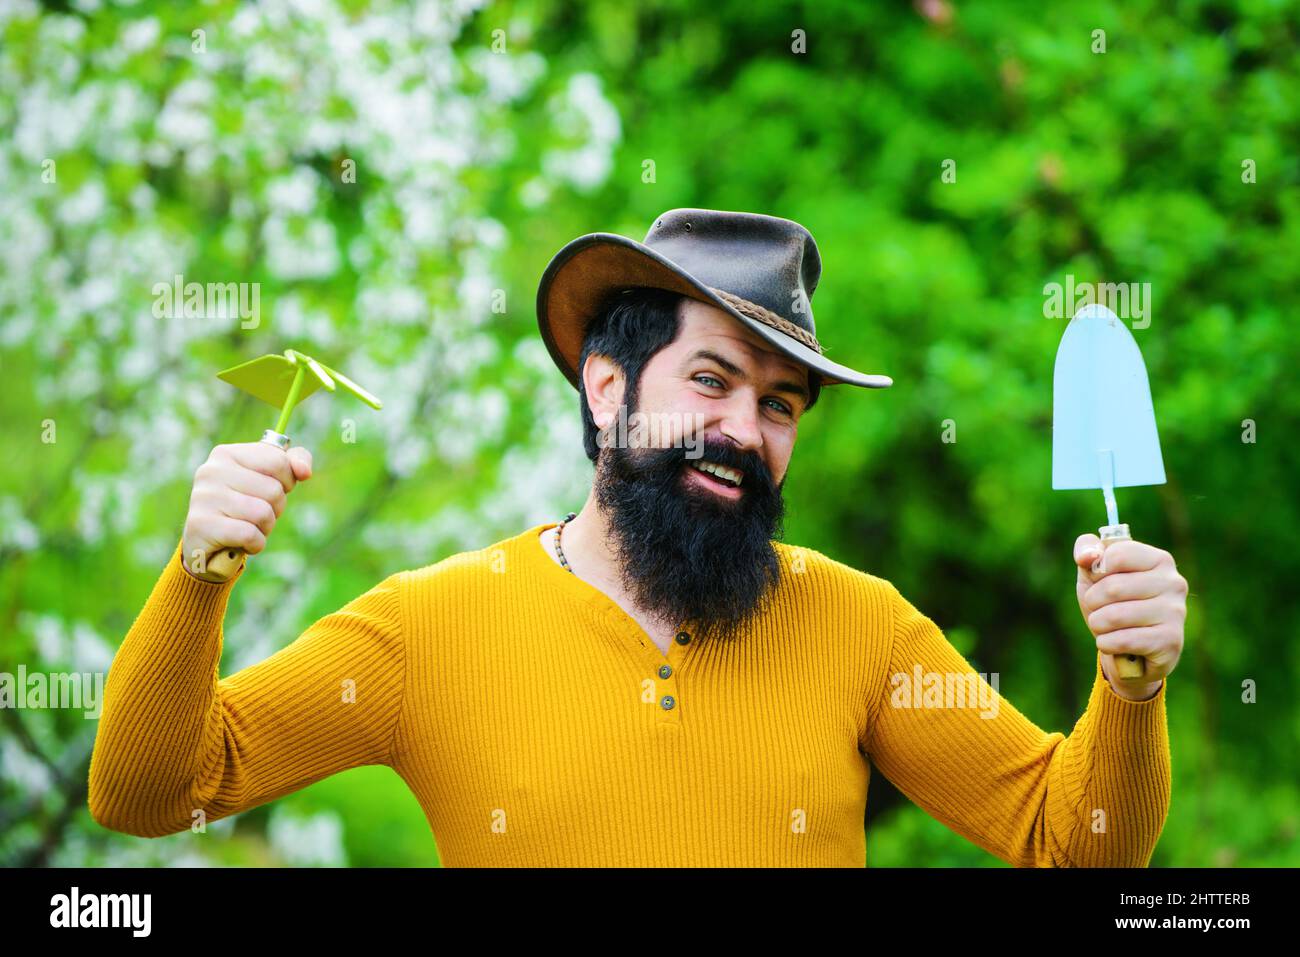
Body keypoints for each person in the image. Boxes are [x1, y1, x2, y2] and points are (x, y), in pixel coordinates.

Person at [88, 208, 1184, 866]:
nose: (742, 432)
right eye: (710, 379)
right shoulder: (428, 630)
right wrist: (196, 580)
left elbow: (1071, 840)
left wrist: (1129, 691)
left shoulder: (861, 626)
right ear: (607, 390)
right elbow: (148, 793)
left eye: (780, 405)